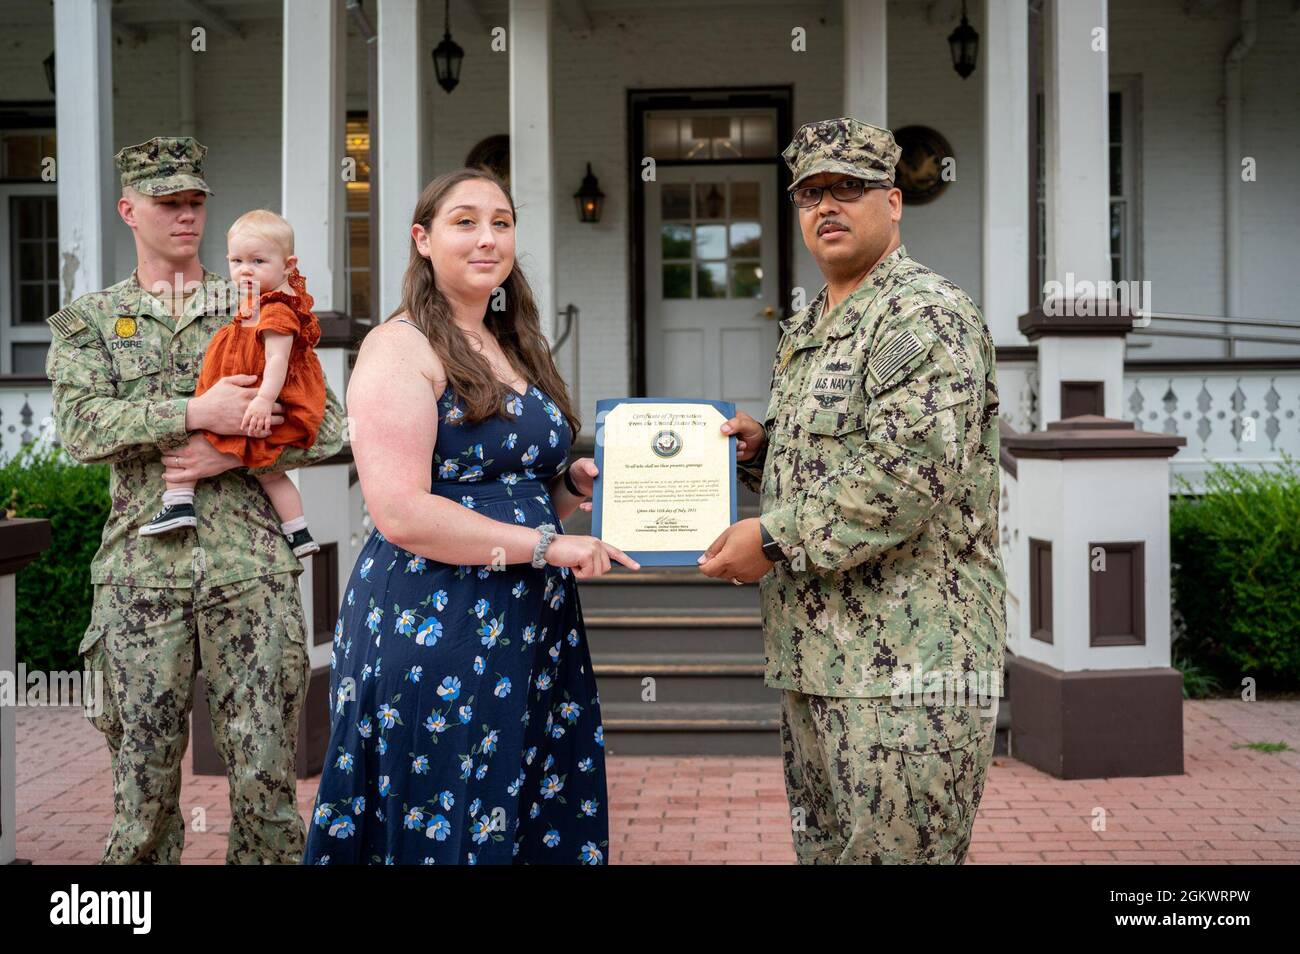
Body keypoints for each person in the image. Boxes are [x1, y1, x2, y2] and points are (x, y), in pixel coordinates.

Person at [303, 168, 637, 866]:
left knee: (522, 811)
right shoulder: (398, 347)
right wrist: (549, 546)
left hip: (531, 624)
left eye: (502, 222)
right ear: (422, 239)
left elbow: (509, 487)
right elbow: (401, 513)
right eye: (465, 222)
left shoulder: (511, 342)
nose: (488, 238)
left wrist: (569, 488)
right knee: (444, 816)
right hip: (437, 623)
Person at [698, 118, 1006, 864]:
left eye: (849, 188)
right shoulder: (814, 323)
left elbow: (909, 472)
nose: (826, 206)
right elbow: (839, 453)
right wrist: (762, 451)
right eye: (810, 194)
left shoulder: (924, 314)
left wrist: (772, 537)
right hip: (819, 657)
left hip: (909, 666)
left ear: (893, 202)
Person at [45, 136, 346, 863]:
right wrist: (193, 412)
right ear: (129, 211)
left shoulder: (257, 298)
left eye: (195, 202)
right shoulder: (93, 320)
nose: (186, 215)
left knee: (266, 788)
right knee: (141, 796)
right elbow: (80, 428)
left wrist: (229, 451)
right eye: (167, 203)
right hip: (139, 578)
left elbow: (328, 425)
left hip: (250, 573)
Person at [138, 208, 327, 559]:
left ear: (288, 265)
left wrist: (263, 400)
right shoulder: (253, 303)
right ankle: (298, 531)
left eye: (258, 261)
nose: (245, 270)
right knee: (271, 475)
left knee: (187, 449)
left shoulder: (276, 308)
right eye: (237, 261)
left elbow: (277, 360)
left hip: (257, 407)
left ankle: (178, 502)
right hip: (248, 404)